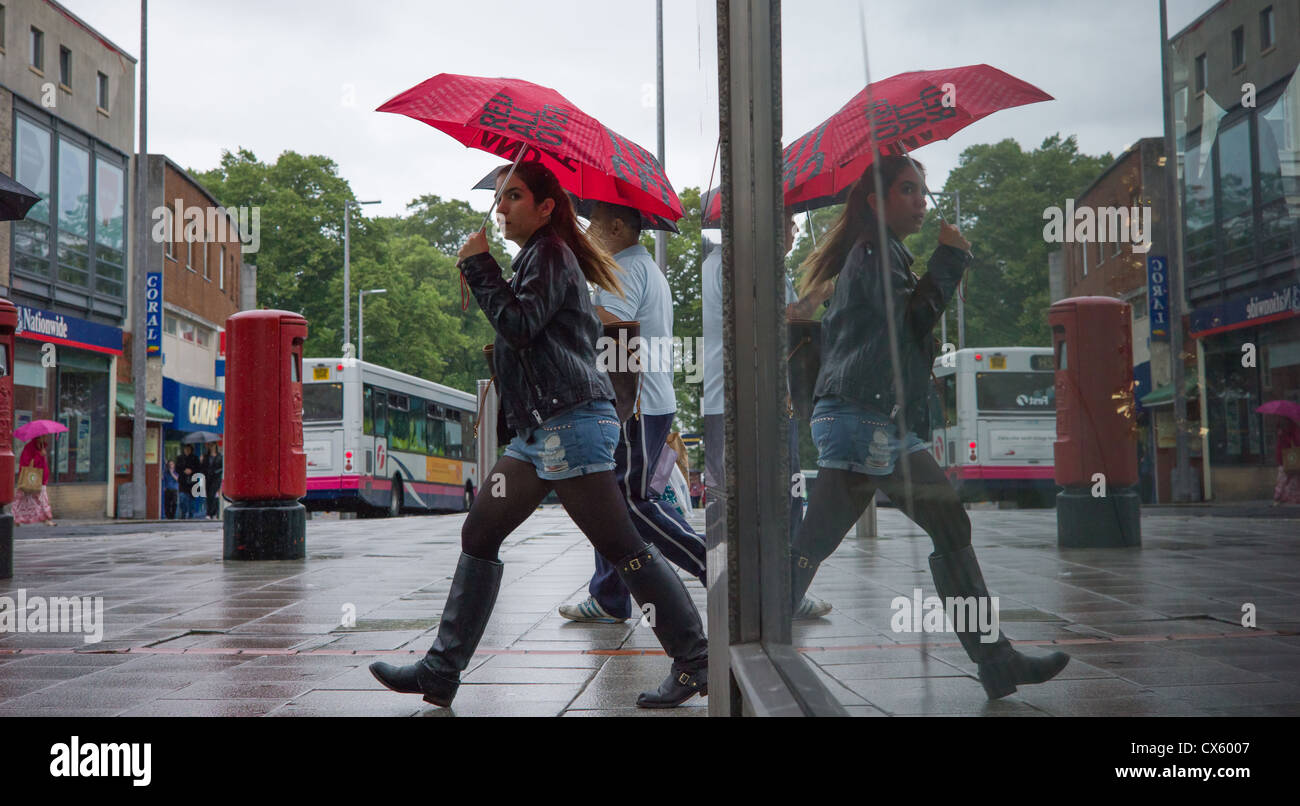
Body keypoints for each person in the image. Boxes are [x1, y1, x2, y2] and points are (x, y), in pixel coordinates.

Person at [369, 161, 707, 709]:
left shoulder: (550, 253)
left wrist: (480, 266)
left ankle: (695, 659)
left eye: (514, 196)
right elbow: (529, 329)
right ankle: (440, 670)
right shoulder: (538, 255)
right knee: (480, 533)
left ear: (547, 207)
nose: (501, 207)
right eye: (500, 197)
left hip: (570, 424)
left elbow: (520, 324)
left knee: (622, 543)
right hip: (539, 430)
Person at [788, 156, 1069, 700]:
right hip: (862, 421)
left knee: (941, 525)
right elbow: (909, 323)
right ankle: (745, 642)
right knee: (819, 541)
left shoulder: (881, 253)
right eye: (908, 190)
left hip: (874, 421)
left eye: (922, 190)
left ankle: (997, 661)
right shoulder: (873, 254)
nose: (921, 201)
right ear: (877, 201)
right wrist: (951, 258)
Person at [554, 200, 708, 625]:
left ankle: (710, 562)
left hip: (633, 401)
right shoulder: (641, 267)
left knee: (631, 502)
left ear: (618, 227)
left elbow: (609, 325)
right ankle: (609, 596)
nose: (587, 234)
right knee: (613, 501)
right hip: (646, 400)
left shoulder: (622, 269)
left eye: (593, 225)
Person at [701, 214, 833, 619]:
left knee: (740, 499)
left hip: (736, 396)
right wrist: (815, 297)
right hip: (759, 398)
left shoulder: (725, 261)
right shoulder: (744, 262)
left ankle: (752, 589)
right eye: (787, 220)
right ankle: (784, 590)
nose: (793, 229)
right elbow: (768, 322)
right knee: (783, 497)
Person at [13, 435, 55, 526]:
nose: (45, 439)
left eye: (45, 437)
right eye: (43, 437)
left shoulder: (43, 447)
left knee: (42, 498)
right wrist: (39, 455)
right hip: (29, 478)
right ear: (38, 438)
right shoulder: (29, 447)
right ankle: (15, 518)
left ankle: (46, 519)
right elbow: (26, 462)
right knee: (21, 498)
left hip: (41, 478)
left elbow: (44, 464)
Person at [1273, 419, 1300, 505]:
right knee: (1292, 479)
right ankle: (1291, 498)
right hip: (1291, 459)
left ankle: (1279, 498)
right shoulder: (1293, 428)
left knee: (1283, 478)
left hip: (1287, 458)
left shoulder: (1290, 429)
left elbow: (1295, 442)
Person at [175, 443, 201, 520]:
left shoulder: (195, 458)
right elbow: (177, 469)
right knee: (182, 498)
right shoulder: (180, 458)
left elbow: (199, 469)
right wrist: (184, 471)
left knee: (192, 501)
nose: (187, 451)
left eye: (189, 449)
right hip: (183, 482)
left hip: (193, 483)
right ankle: (183, 514)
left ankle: (191, 516)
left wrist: (191, 471)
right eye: (186, 449)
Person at [204, 443, 224, 519]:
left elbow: (222, 467)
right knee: (209, 495)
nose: (211, 447)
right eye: (210, 446)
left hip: (216, 479)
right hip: (208, 478)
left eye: (213, 446)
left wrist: (216, 472)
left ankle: (212, 513)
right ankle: (210, 512)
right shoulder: (206, 457)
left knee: (213, 494)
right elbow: (203, 467)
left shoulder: (219, 457)